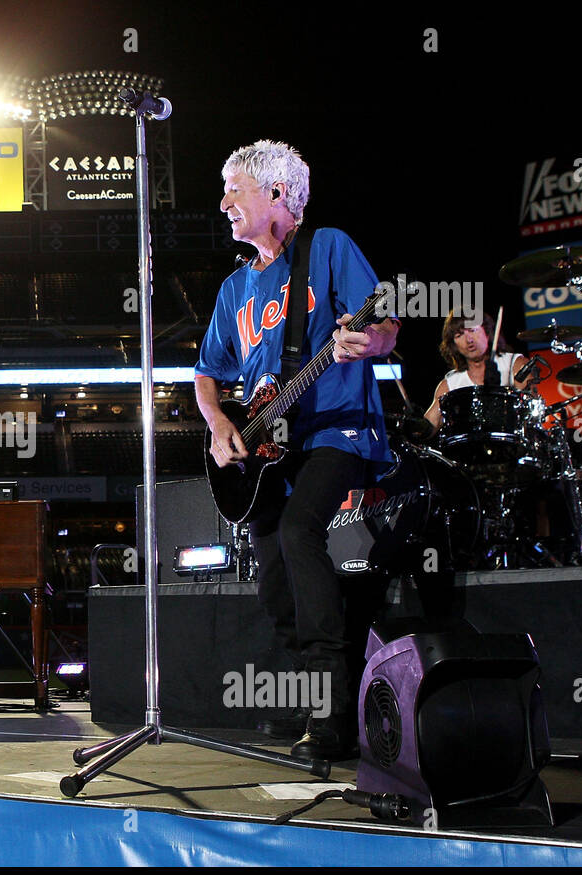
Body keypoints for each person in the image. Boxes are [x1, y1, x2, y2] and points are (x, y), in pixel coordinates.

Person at [194, 140, 400, 760]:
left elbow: (385, 321)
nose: (224, 201)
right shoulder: (235, 288)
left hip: (337, 429)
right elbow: (206, 376)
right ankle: (327, 695)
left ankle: (332, 716)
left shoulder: (329, 248)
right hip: (266, 451)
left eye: (236, 190)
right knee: (275, 581)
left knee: (298, 532)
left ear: (277, 196)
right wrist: (216, 424)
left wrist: (369, 340)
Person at [424, 310, 530, 432]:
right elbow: (428, 427)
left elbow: (530, 412)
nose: (468, 339)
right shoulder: (450, 385)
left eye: (472, 330)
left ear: (487, 332)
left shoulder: (515, 364)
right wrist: (413, 424)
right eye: (459, 335)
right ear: (453, 345)